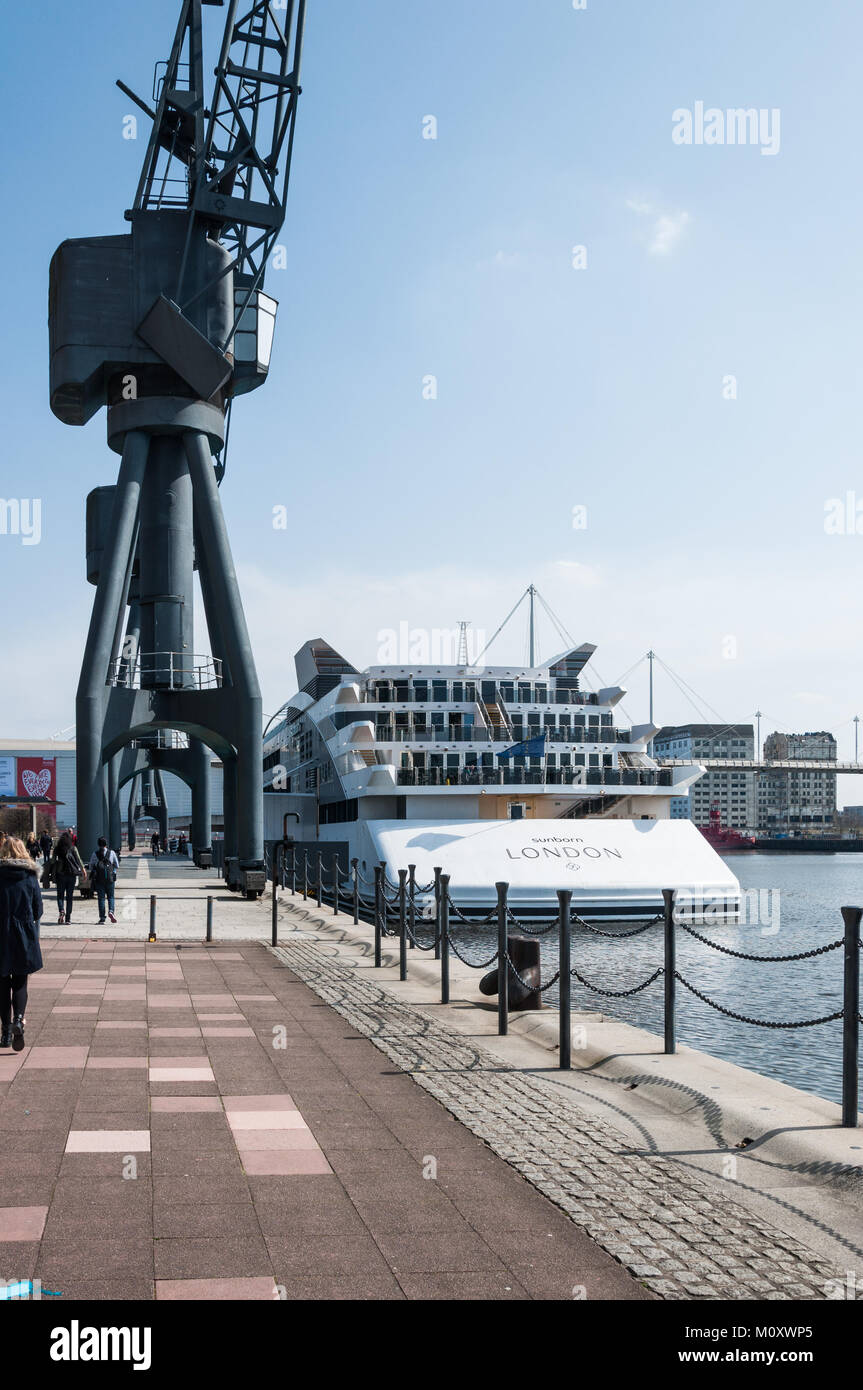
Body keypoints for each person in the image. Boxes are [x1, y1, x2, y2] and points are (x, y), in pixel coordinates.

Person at [0, 835, 43, 1051]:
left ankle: (6, 1031)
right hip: (23, 935)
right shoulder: (29, 877)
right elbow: (38, 910)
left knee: (1, 984)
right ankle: (18, 1019)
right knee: (20, 982)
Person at [52, 831, 85, 925]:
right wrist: (83, 870)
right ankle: (68, 919)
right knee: (69, 897)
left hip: (60, 874)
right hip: (71, 874)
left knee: (60, 895)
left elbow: (53, 861)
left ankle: (61, 910)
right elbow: (78, 859)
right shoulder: (73, 848)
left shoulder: (57, 849)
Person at [88, 837, 119, 925]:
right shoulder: (111, 853)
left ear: (98, 844)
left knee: (101, 898)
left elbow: (90, 866)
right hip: (110, 879)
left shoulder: (95, 854)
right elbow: (117, 865)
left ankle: (102, 918)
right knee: (111, 897)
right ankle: (111, 911)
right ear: (106, 844)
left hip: (99, 879)